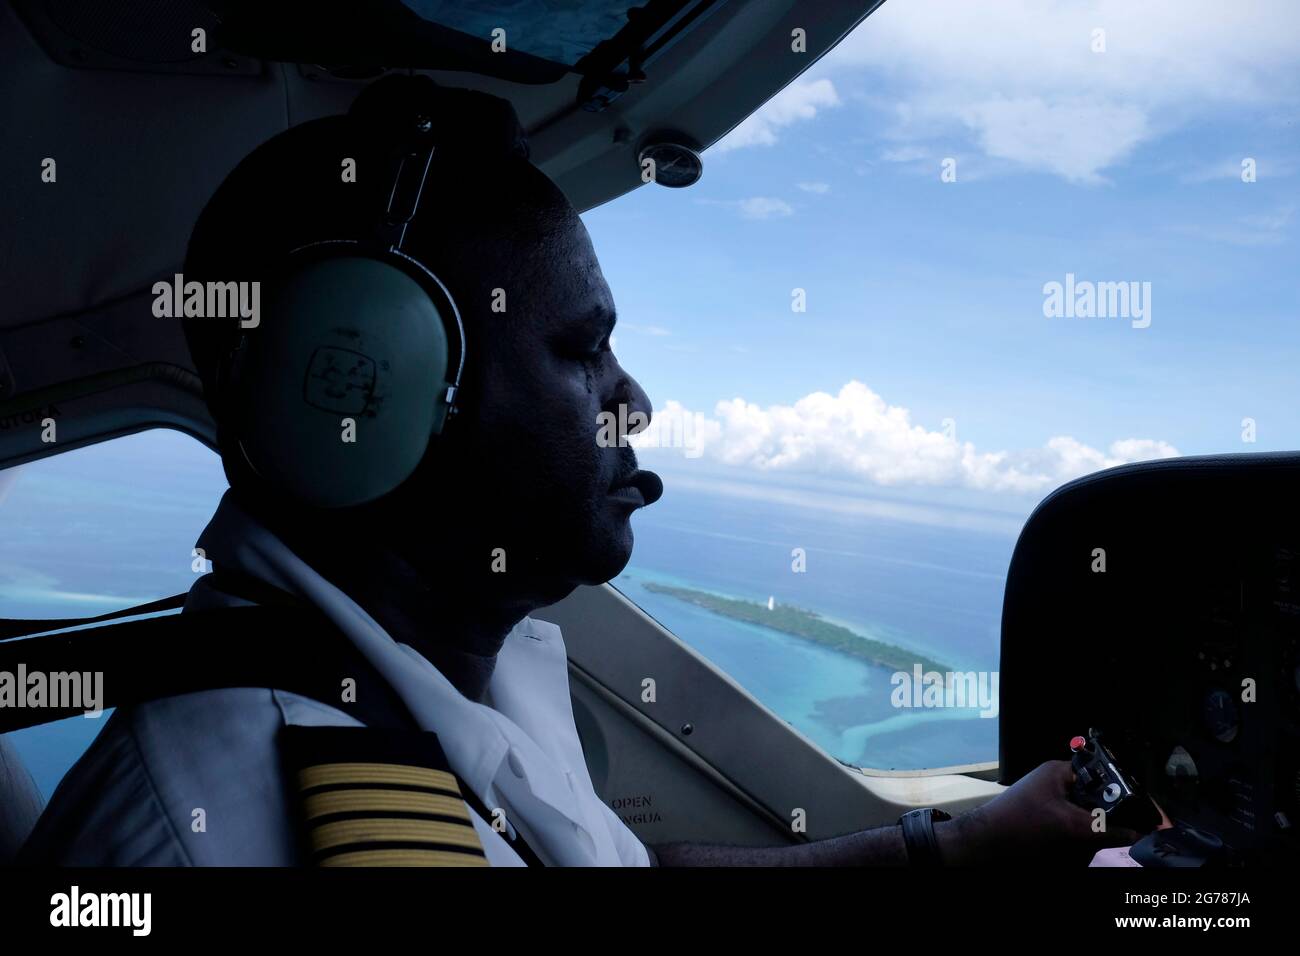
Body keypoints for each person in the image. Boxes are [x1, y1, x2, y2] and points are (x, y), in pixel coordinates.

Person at [19, 75, 1140, 867]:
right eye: (579, 349)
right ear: (380, 395)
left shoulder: (435, 677)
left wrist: (954, 846)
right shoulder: (257, 819)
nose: (633, 402)